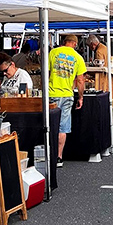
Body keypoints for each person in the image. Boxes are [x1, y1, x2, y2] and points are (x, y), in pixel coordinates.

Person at [48, 34, 86, 167]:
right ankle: (59, 157)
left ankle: (49, 155)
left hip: (51, 93)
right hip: (67, 94)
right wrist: (80, 97)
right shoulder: (78, 58)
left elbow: (46, 73)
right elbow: (80, 80)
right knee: (62, 127)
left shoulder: (53, 53)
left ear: (64, 42)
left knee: (49, 124)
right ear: (75, 44)